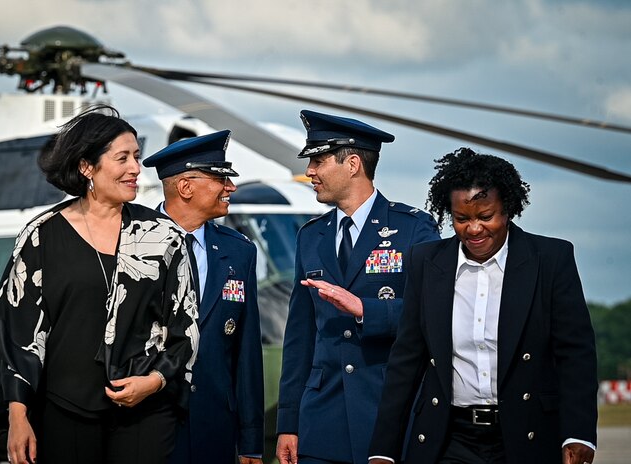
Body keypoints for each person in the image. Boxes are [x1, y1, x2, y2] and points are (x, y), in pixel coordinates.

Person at [0, 105, 199, 464]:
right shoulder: (42, 236)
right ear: (87, 167)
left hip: (145, 411)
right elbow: (16, 337)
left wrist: (155, 381)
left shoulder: (164, 236)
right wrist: (18, 417)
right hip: (62, 412)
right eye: (122, 158)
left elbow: (186, 327)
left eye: (137, 157)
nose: (135, 169)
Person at [368, 148, 597, 464]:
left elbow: (576, 354)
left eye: (485, 216)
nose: (473, 229)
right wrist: (383, 450)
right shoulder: (426, 263)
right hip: (449, 438)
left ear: (508, 211)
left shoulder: (551, 260)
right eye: (462, 219)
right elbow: (406, 360)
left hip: (526, 433)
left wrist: (579, 432)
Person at [276, 110, 440, 464]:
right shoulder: (311, 236)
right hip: (322, 422)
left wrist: (369, 311)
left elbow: (433, 316)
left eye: (319, 161)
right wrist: (288, 422)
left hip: (389, 416)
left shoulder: (413, 229)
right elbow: (299, 338)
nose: (311, 173)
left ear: (352, 164)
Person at [142, 130, 265, 464]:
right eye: (220, 178)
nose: (231, 187)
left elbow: (246, 350)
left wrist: (251, 439)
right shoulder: (133, 244)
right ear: (185, 187)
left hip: (215, 429)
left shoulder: (238, 251)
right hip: (148, 427)